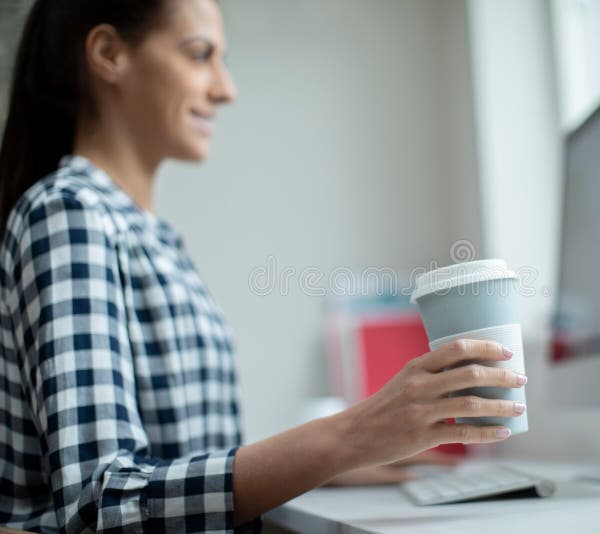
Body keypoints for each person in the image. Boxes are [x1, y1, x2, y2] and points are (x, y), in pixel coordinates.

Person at [0, 1, 527, 532]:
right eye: (201, 55)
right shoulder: (70, 215)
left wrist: (334, 462)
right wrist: (350, 435)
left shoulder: (147, 235)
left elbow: (169, 463)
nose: (225, 89)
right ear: (109, 54)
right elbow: (100, 507)